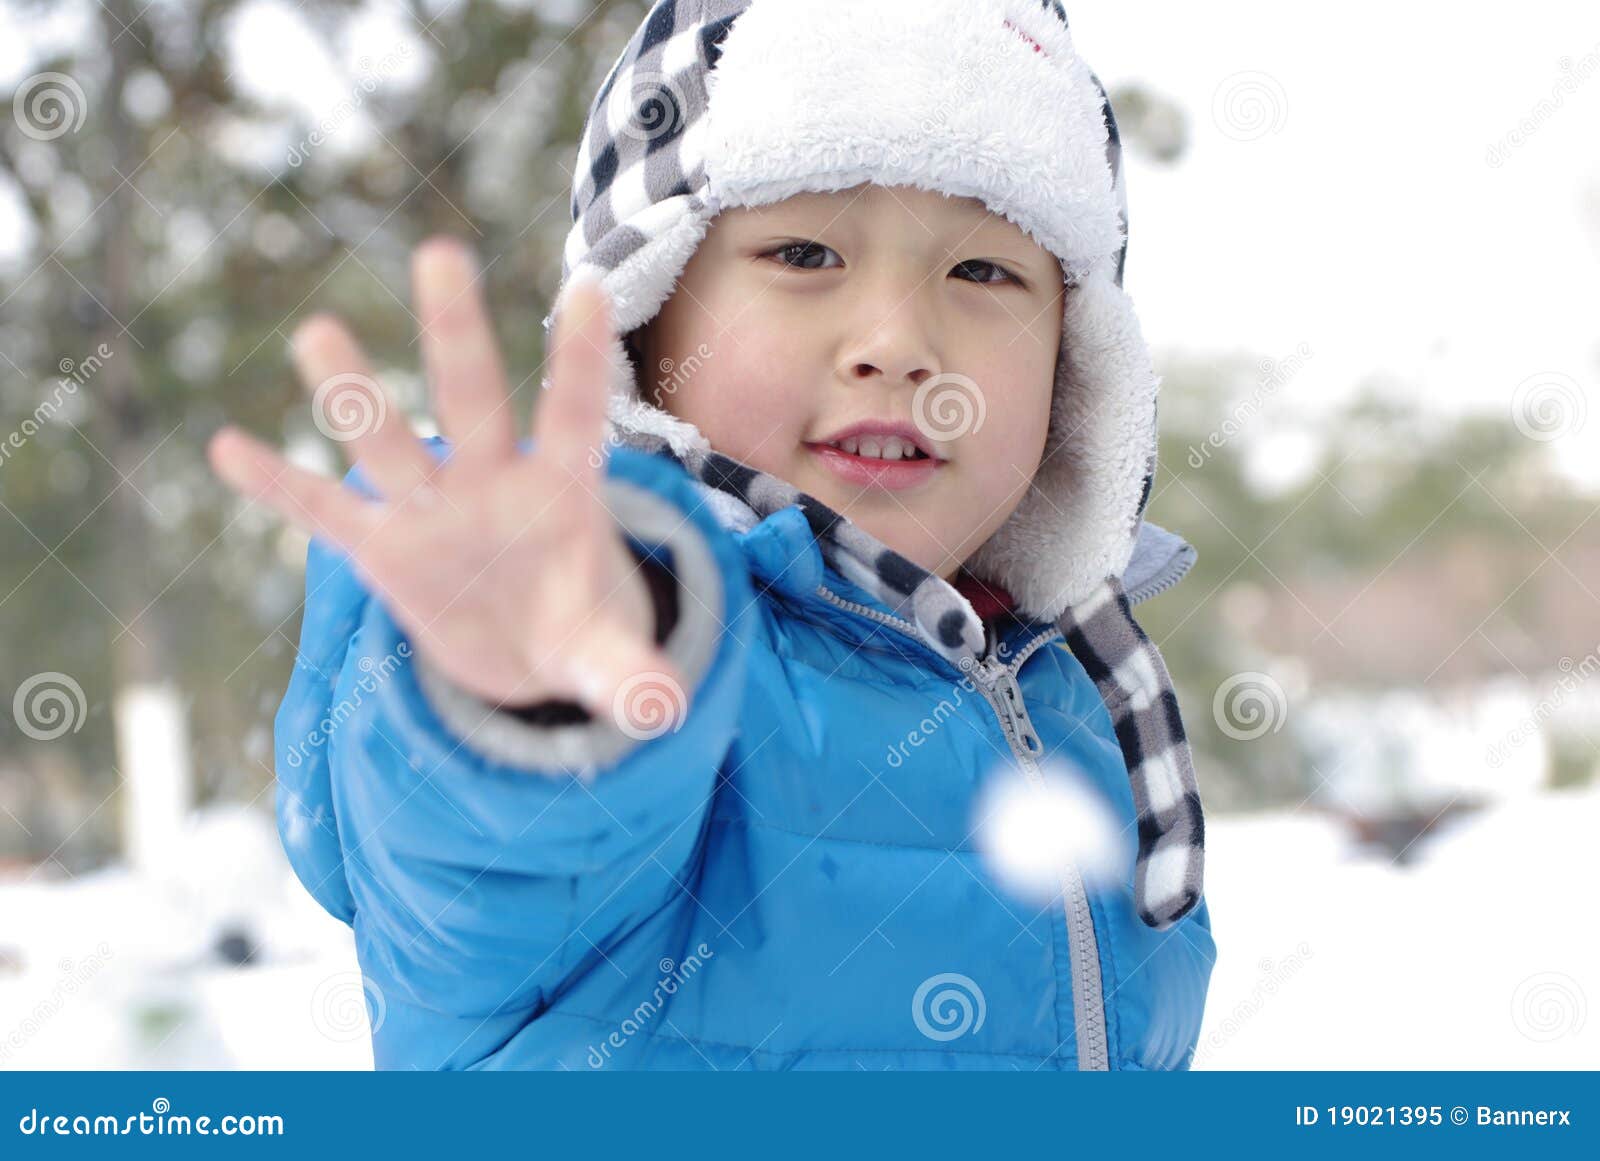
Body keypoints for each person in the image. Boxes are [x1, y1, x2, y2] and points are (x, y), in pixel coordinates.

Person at [208, 0, 1215, 1070]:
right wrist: (529, 690)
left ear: (1075, 364)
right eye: (802, 252)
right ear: (650, 319)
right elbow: (489, 861)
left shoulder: (1079, 704)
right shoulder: (644, 632)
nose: (895, 342)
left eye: (982, 273)